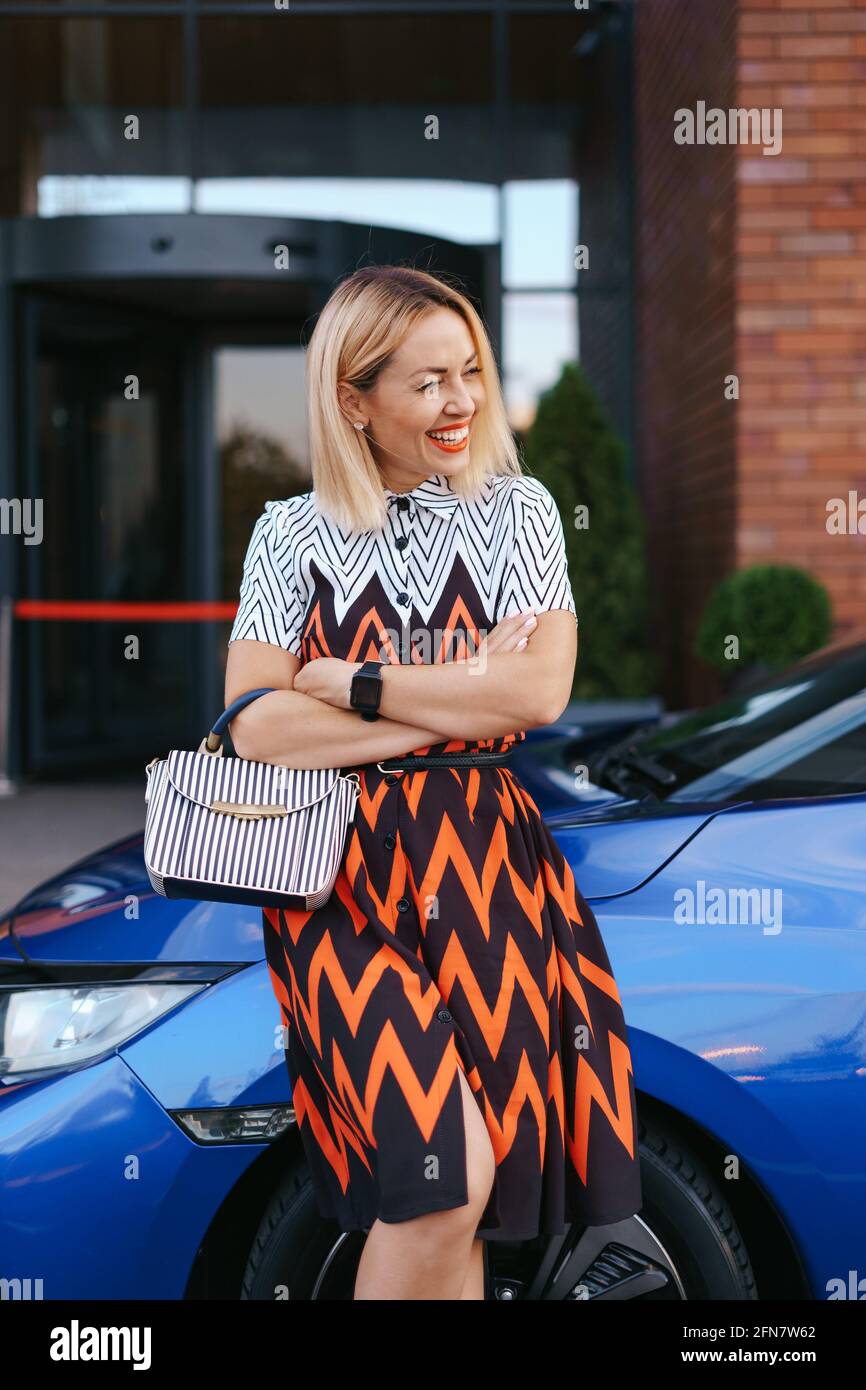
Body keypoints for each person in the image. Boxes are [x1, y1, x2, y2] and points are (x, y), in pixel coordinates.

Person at [225, 264, 642, 1300]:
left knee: (474, 1185)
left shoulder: (518, 511)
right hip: (339, 887)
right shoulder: (290, 533)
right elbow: (257, 729)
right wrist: (458, 693)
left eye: (469, 373)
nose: (460, 402)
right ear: (353, 400)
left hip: (490, 877)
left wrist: (356, 685)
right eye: (426, 382)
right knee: (437, 1177)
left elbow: (537, 693)